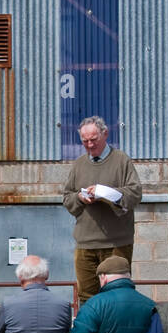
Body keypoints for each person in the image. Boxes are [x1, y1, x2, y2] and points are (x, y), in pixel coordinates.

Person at [62, 116, 142, 304]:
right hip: (85, 244)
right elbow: (67, 197)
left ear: (105, 134)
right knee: (86, 297)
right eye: (84, 141)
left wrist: (109, 194)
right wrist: (80, 198)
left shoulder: (121, 160)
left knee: (118, 295)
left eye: (93, 140)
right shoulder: (79, 164)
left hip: (116, 243)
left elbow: (135, 193)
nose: (89, 145)